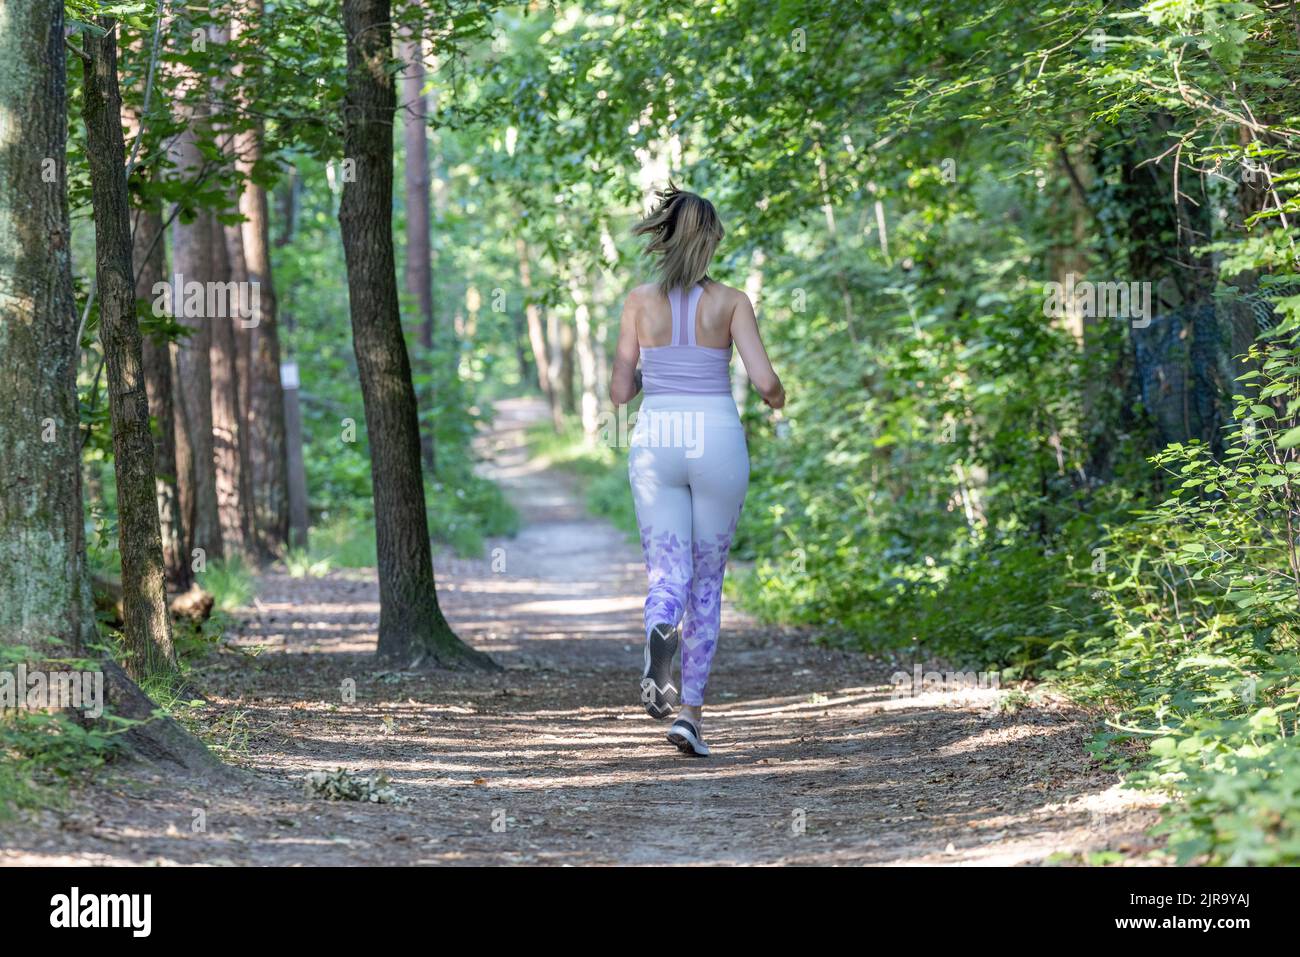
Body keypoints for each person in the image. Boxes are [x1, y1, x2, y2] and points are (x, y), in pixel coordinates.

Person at [609, 185, 785, 756]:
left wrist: (648, 374)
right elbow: (765, 385)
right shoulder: (732, 302)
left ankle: (659, 632)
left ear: (663, 238)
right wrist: (779, 397)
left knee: (668, 574)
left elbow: (619, 390)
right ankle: (689, 716)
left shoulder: (638, 302)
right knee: (707, 583)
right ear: (710, 243)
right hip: (716, 440)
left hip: (658, 438)